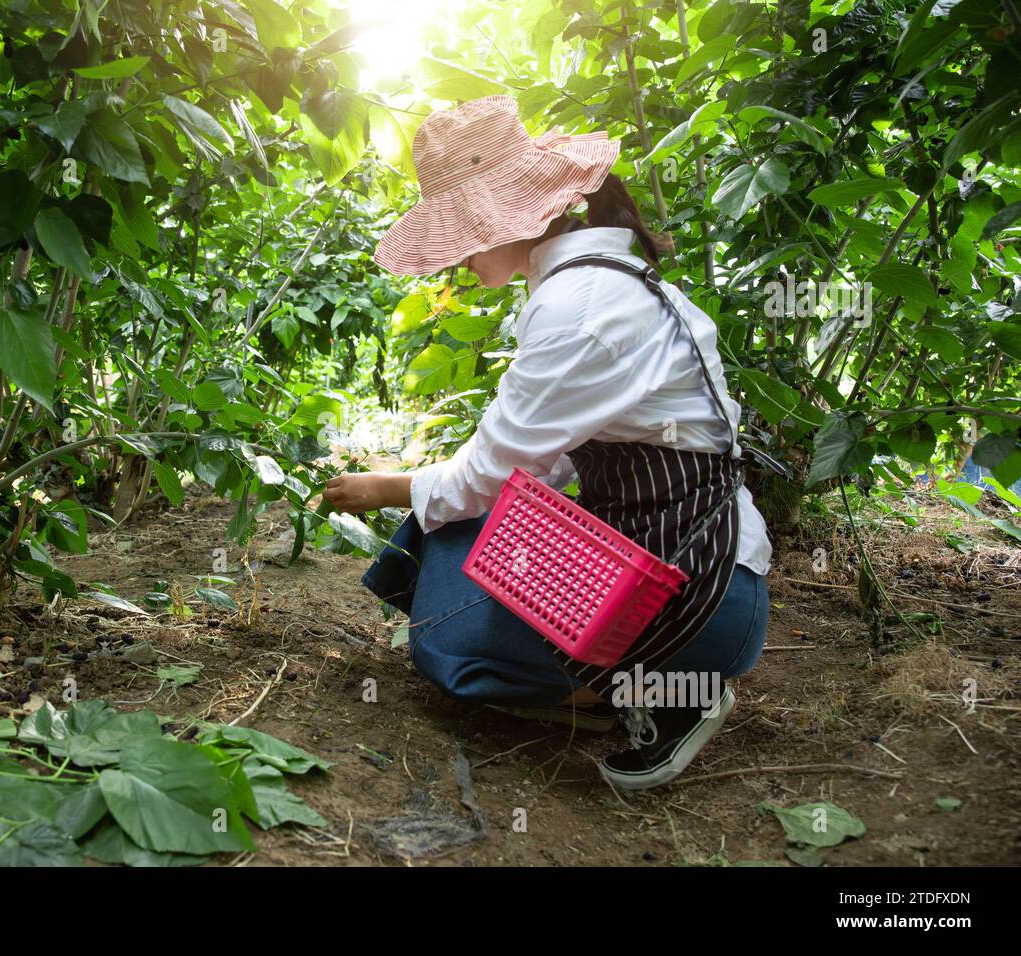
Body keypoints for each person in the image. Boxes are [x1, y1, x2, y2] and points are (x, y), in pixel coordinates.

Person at [321, 95, 771, 790]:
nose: (456, 258)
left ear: (498, 219)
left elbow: (489, 483)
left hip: (696, 595)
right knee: (450, 526)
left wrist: (384, 486)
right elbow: (547, 467)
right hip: (690, 571)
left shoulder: (577, 307)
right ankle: (592, 684)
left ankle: (660, 695)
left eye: (462, 233)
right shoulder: (601, 286)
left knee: (445, 629)